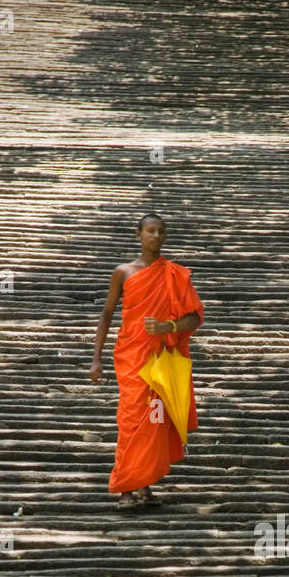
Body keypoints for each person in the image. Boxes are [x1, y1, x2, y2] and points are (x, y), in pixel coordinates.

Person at [90, 214, 203, 509]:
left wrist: (168, 327)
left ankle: (145, 483)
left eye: (161, 232)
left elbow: (194, 316)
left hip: (161, 358)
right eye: (150, 231)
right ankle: (126, 488)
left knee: (155, 421)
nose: (156, 236)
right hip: (132, 356)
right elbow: (106, 314)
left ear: (164, 237)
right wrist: (96, 359)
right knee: (131, 421)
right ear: (138, 234)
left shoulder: (174, 274)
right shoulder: (123, 273)